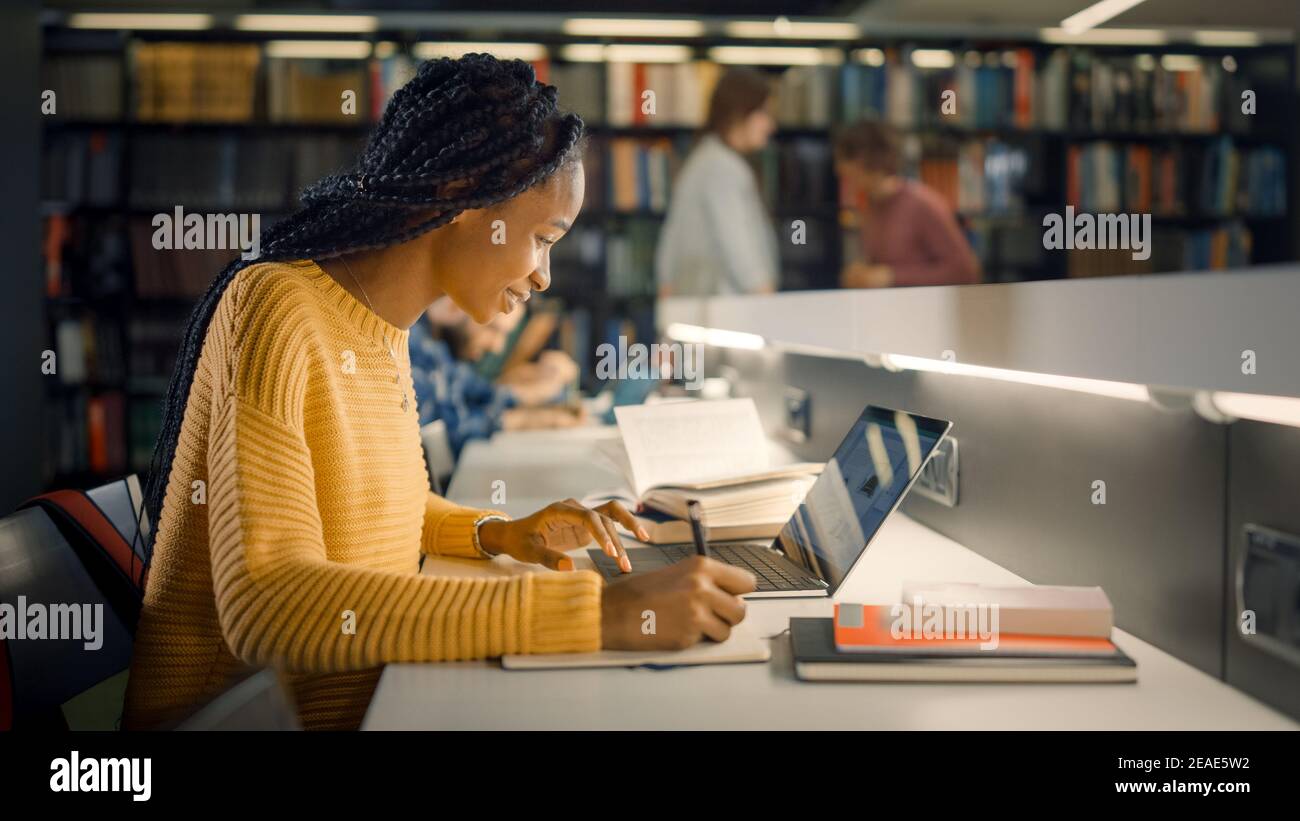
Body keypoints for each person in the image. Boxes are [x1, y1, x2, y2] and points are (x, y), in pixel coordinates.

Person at [123, 54, 755, 731]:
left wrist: (498, 531)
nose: (544, 276)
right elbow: (269, 606)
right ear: (462, 197)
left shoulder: (383, 325)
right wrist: (598, 614)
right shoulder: (277, 308)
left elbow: (371, 508)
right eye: (542, 239)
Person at [655, 68, 780, 297]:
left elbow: (669, 251)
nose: (770, 125)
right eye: (764, 113)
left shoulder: (703, 160)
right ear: (740, 112)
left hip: (705, 313)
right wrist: (765, 298)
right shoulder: (723, 168)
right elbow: (739, 248)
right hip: (729, 315)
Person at [409, 298, 583, 459]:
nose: (497, 347)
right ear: (454, 305)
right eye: (492, 329)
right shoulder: (415, 346)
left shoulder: (442, 351)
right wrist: (528, 420)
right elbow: (454, 432)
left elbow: (480, 392)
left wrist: (536, 393)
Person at [833, 120, 981, 288]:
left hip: (924, 308)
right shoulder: (871, 204)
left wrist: (892, 277)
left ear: (865, 160)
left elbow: (965, 272)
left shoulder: (923, 204)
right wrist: (863, 273)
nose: (838, 169)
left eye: (844, 159)